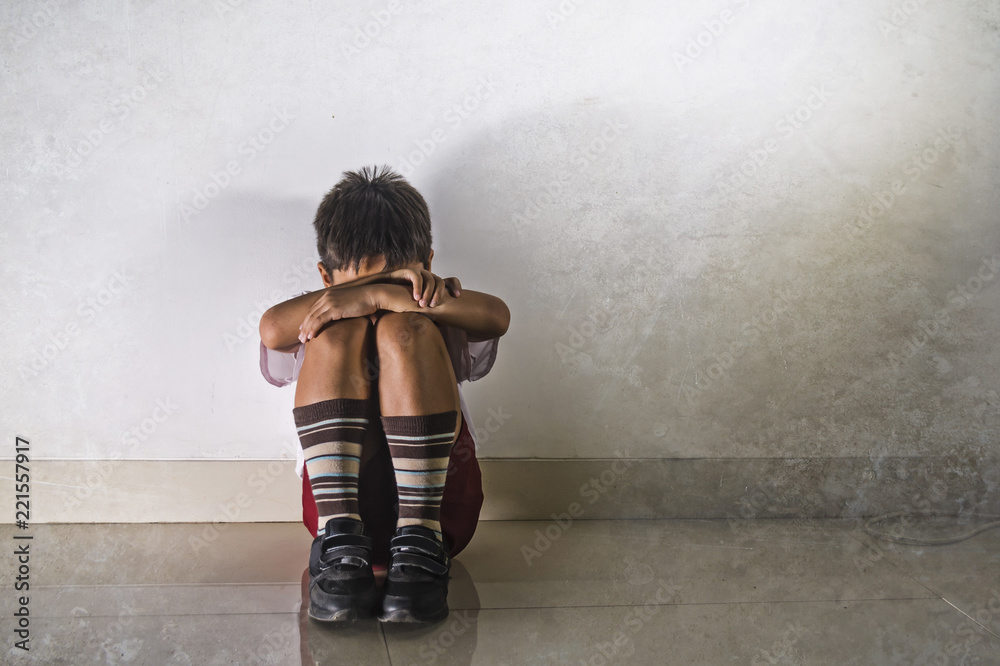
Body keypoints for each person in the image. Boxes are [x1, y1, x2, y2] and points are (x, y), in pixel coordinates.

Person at [258, 165, 510, 624]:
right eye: (355, 283)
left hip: (437, 512)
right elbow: (273, 328)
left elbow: (497, 315)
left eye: (396, 279)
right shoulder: (319, 308)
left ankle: (417, 541)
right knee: (333, 335)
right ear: (324, 277)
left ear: (427, 265)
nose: (377, 295)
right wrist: (369, 294)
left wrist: (395, 301)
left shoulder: (431, 298)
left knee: (405, 330)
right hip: (339, 514)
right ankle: (342, 544)